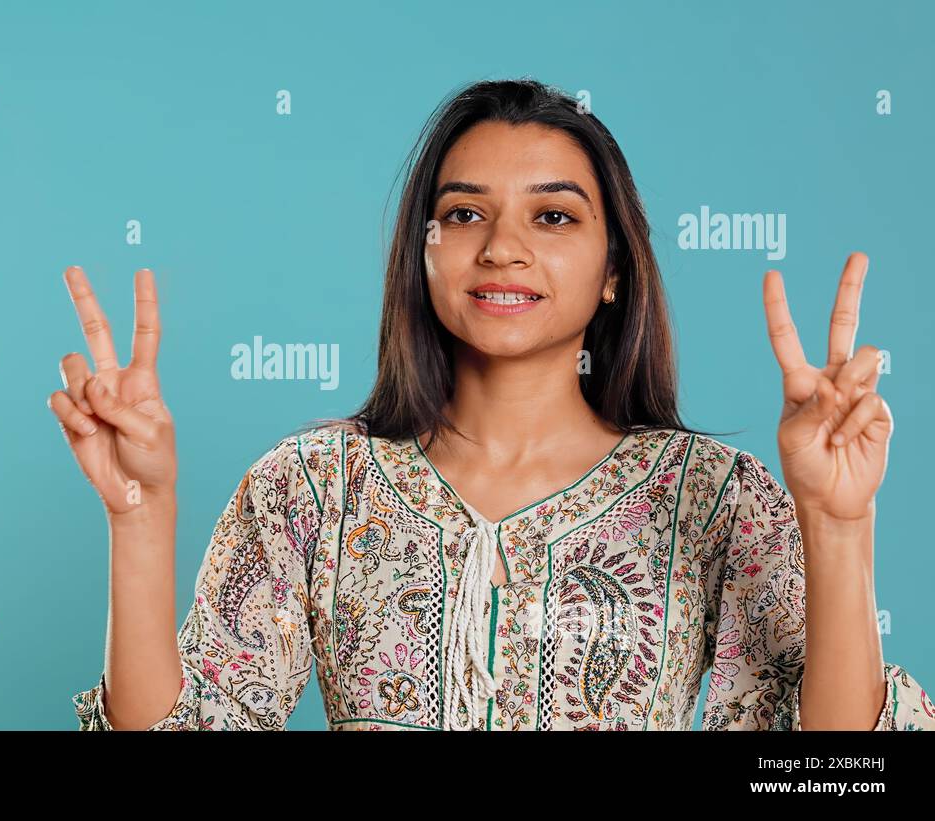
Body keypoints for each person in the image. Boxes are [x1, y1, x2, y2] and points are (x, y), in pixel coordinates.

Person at [48, 78, 934, 731]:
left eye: (554, 217)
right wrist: (139, 514)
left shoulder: (713, 497)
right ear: (424, 250)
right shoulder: (312, 486)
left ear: (614, 268)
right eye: (466, 214)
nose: (503, 247)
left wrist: (838, 524)